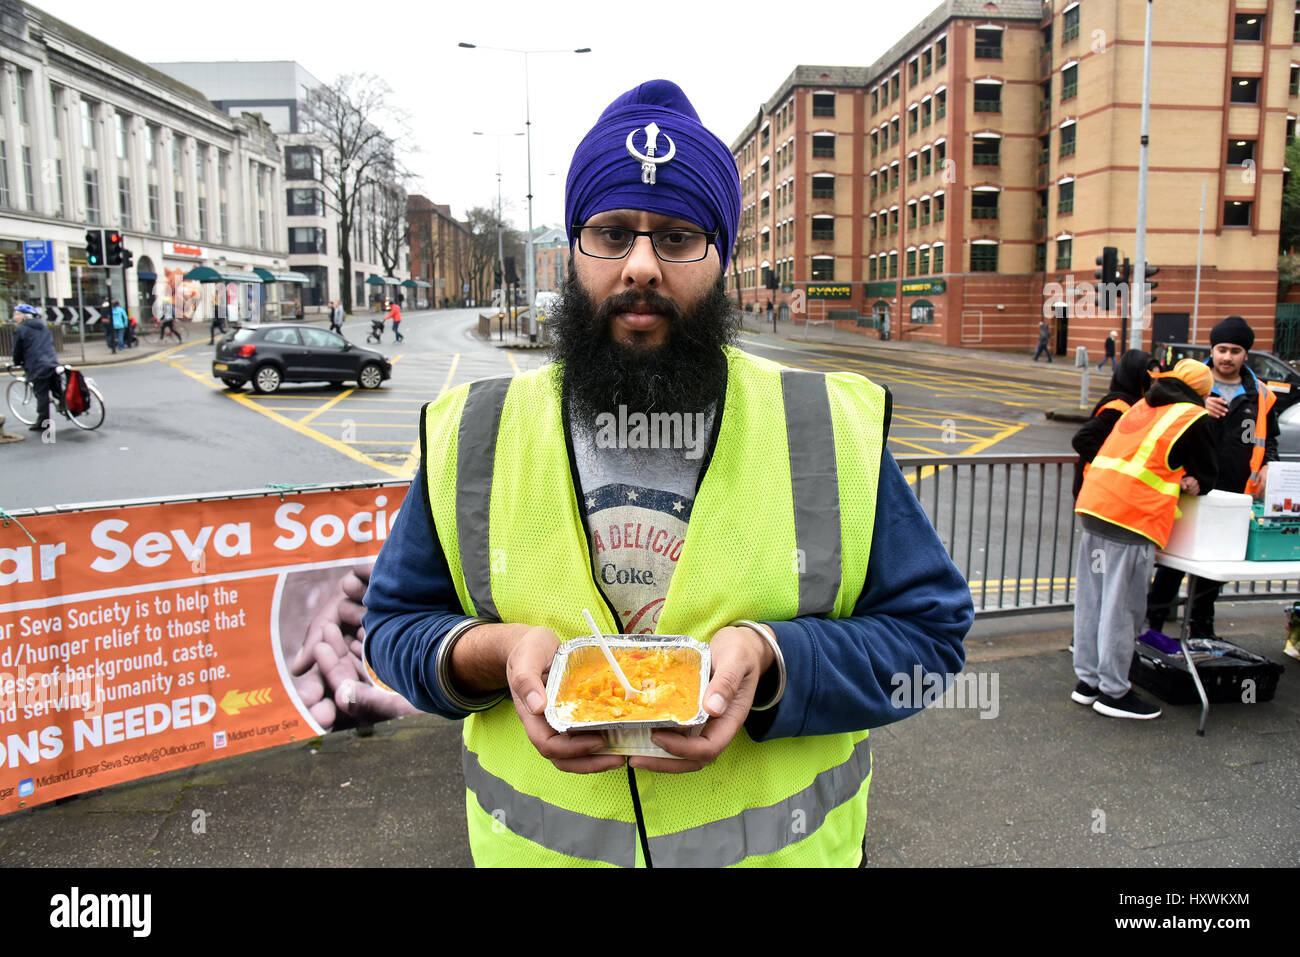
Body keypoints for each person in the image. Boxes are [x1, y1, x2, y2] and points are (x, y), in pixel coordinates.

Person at [361, 79, 973, 868]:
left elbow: (930, 644)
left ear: (723, 259)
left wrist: (773, 659)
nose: (642, 265)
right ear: (574, 249)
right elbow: (393, 627)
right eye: (612, 234)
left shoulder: (825, 426)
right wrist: (497, 652)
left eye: (679, 236)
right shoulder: (475, 432)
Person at [1073, 359, 1219, 720]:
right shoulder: (1192, 416)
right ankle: (1113, 692)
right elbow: (1207, 475)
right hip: (1132, 518)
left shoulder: (1143, 404)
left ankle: (1087, 683)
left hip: (1095, 507)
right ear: (1203, 393)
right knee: (1122, 609)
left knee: (1094, 600)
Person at [1146, 315, 1280, 640]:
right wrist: (1199, 405)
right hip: (1190, 492)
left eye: (1235, 350)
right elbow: (1163, 426)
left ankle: (1201, 630)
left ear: (1245, 354)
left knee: (1212, 571)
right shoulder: (1191, 387)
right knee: (1172, 565)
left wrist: (1268, 467)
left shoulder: (1263, 395)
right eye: (1222, 349)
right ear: (1212, 349)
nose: (1227, 357)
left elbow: (1270, 440)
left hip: (1234, 495)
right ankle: (1150, 628)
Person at [1070, 349, 1158, 499]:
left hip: (1107, 492)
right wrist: (1114, 466)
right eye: (1151, 380)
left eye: (1158, 380)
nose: (1155, 386)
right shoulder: (1119, 407)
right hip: (1098, 493)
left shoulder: (1135, 404)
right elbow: (1082, 439)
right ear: (1137, 378)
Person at [10, 303, 59, 433]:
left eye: (16, 313)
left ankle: (43, 423)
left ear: (24, 317)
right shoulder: (43, 325)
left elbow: (17, 350)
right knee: (57, 389)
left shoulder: (20, 329)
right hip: (52, 361)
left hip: (37, 365)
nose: (14, 316)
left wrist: (16, 361)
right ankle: (71, 409)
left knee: (41, 394)